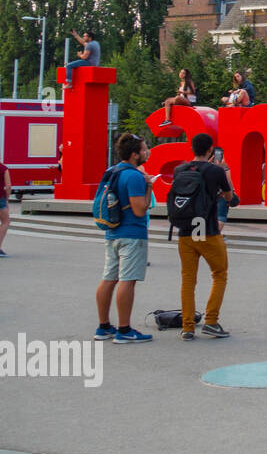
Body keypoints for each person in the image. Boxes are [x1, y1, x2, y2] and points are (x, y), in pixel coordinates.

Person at [94, 133, 160, 343]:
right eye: (143, 149)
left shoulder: (111, 171)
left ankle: (103, 326)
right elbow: (140, 210)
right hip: (132, 233)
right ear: (134, 154)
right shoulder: (133, 176)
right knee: (127, 281)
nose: (146, 151)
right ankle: (124, 330)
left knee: (108, 278)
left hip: (112, 231)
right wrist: (148, 185)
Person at [174, 132, 235, 340]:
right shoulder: (215, 170)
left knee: (188, 279)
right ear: (211, 150)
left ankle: (187, 327)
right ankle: (211, 320)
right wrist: (224, 170)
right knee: (220, 274)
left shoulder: (179, 170)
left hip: (185, 229)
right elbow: (229, 196)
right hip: (206, 229)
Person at [0, 158, 10, 256]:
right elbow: (8, 186)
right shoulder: (3, 168)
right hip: (0, 198)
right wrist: (7, 198)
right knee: (5, 221)